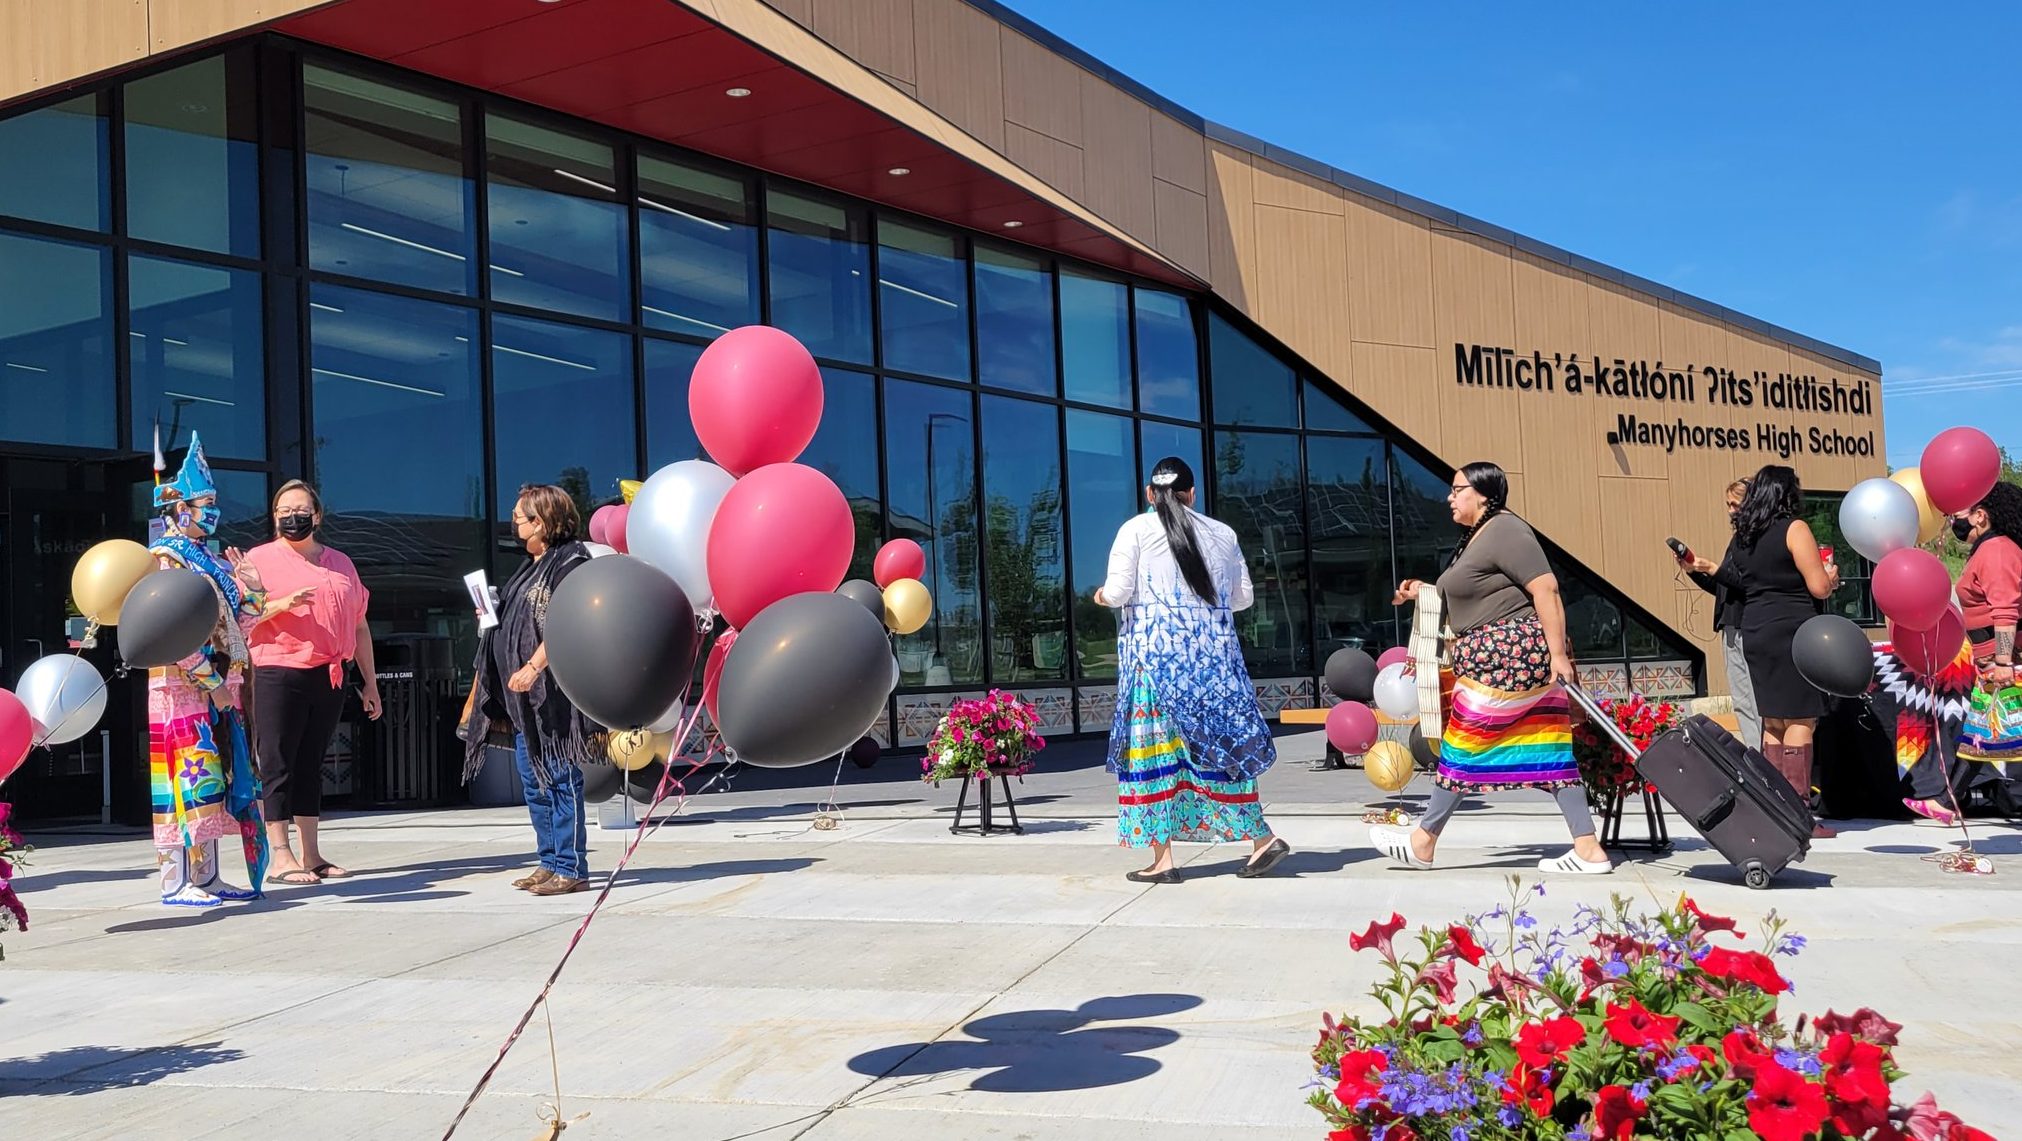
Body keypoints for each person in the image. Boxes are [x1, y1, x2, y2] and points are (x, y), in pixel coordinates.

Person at [1370, 462, 1610, 875]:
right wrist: (1422, 592)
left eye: (1457, 489)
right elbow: (1473, 594)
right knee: (1549, 748)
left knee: (1464, 741)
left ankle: (1423, 841)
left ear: (1483, 494)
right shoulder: (1477, 538)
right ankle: (1588, 848)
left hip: (1510, 656)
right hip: (1505, 656)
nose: (1449, 497)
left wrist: (1558, 655)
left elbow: (1546, 588)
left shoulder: (1506, 529)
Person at [1096, 457, 1288, 883]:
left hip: (1155, 667)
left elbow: (1118, 591)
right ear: (1192, 493)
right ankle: (1261, 839)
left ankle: (1163, 861)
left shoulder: (1136, 530)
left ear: (1150, 494)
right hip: (1214, 671)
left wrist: (1100, 598)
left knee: (1154, 760)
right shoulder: (1223, 533)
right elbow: (1242, 600)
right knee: (1218, 755)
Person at [147, 434, 271, 907]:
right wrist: (212, 681)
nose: (213, 512)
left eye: (215, 503)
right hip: (180, 687)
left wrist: (253, 589)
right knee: (187, 776)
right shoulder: (168, 559)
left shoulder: (211, 560)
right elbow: (173, 631)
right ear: (180, 508)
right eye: (205, 503)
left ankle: (210, 874)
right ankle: (178, 880)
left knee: (215, 777)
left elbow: (239, 625)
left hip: (220, 688)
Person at [460, 485, 602, 896]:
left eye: (520, 517)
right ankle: (548, 860)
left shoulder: (570, 562)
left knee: (559, 778)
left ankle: (572, 866)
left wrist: (533, 666)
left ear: (542, 521)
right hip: (522, 701)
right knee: (534, 782)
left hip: (553, 696)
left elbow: (567, 622)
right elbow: (515, 622)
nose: (514, 524)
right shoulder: (530, 566)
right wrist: (488, 615)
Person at [245, 480, 380, 886]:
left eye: (299, 510)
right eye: (283, 511)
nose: (291, 517)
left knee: (310, 764)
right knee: (278, 761)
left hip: (331, 673)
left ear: (317, 516)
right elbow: (239, 618)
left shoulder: (341, 563)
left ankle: (311, 853)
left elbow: (359, 624)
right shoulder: (258, 560)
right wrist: (279, 605)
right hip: (278, 670)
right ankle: (280, 855)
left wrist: (369, 682)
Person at [1725, 464, 1839, 839]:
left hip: (1755, 629)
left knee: (1772, 721)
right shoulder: (1794, 528)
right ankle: (1798, 812)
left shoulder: (1743, 535)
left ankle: (1774, 805)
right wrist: (1831, 575)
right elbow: (1819, 587)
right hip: (1792, 628)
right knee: (1802, 720)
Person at [1904, 481, 2022, 823]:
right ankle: (1946, 799)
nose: (1954, 521)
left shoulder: (1997, 551)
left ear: (1981, 516)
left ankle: (1945, 799)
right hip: (1996, 660)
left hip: (2006, 661)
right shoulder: (1991, 549)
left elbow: (2005, 610)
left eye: (1960, 514)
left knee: (1986, 733)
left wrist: (2003, 661)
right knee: (1984, 734)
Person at [1681, 478, 1762, 751]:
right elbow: (1723, 588)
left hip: (1749, 625)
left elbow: (1750, 584)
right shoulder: (1737, 540)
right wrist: (1694, 572)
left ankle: (1762, 757)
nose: (1730, 510)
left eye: (1735, 504)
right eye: (1728, 504)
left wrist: (1715, 569)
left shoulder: (1759, 540)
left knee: (1754, 699)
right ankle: (1755, 754)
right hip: (1730, 624)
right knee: (1742, 701)